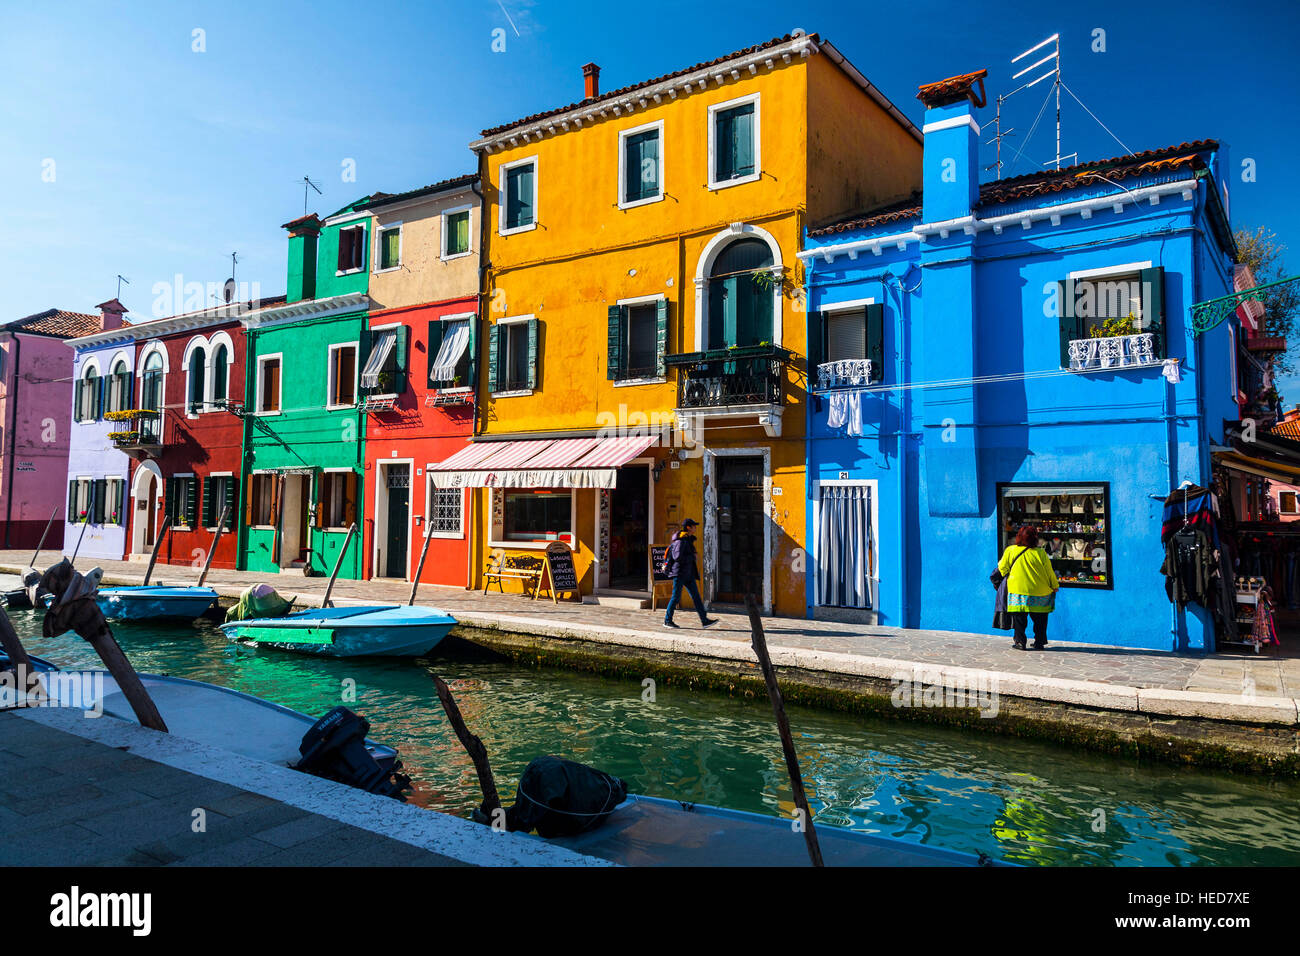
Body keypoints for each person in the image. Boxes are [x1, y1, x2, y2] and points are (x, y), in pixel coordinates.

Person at [997, 525, 1060, 650]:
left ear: (1019, 537)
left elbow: (1002, 569)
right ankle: (1039, 642)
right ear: (1035, 538)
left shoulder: (1011, 550)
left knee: (1020, 619)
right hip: (1040, 592)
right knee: (1040, 619)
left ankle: (1020, 642)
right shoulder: (1041, 553)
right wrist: (1055, 586)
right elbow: (1049, 572)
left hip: (1018, 591)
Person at [662, 519, 718, 629]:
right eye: (694, 526)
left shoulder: (687, 540)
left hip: (688, 574)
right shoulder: (681, 541)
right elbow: (677, 557)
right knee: (676, 597)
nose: (695, 528)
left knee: (696, 597)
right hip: (679, 573)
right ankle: (667, 621)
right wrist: (692, 557)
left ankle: (704, 621)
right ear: (688, 527)